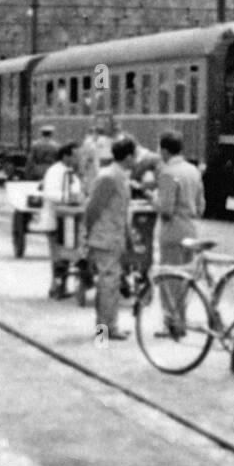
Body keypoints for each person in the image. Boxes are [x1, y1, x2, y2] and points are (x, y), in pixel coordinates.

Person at [84, 137, 137, 342]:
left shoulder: (119, 175)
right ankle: (104, 332)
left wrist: (128, 238)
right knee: (108, 285)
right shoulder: (110, 177)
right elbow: (93, 208)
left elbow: (121, 212)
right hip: (105, 237)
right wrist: (87, 236)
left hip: (114, 237)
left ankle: (110, 326)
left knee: (111, 285)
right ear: (129, 156)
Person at [38, 142, 85, 299]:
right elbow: (50, 193)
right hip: (54, 219)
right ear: (66, 156)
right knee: (57, 256)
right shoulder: (55, 171)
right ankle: (56, 287)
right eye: (75, 155)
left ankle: (59, 286)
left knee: (65, 254)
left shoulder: (69, 171)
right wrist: (68, 198)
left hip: (68, 219)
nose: (78, 158)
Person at [154, 131, 204, 266]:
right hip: (191, 230)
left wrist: (152, 199)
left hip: (173, 232)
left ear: (164, 150)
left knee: (171, 279)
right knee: (184, 279)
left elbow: (166, 210)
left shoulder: (167, 172)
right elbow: (201, 207)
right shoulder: (193, 170)